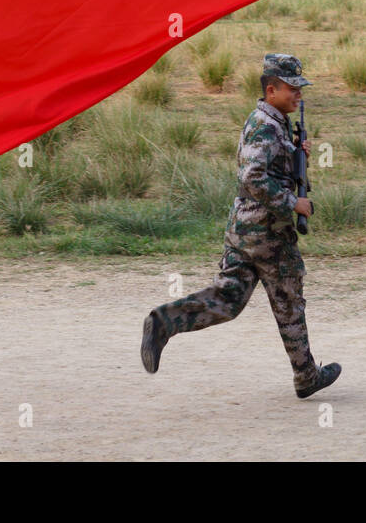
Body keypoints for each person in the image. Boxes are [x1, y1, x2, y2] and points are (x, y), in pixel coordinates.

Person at [141, 53, 342, 399]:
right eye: (292, 88)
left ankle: (164, 322)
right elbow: (253, 178)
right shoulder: (264, 125)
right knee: (289, 301)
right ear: (271, 89)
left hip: (245, 232)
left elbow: (268, 171)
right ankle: (306, 375)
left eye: (300, 88)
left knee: (229, 299)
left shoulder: (273, 123)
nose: (298, 94)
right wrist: (294, 202)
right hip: (268, 235)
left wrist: (296, 157)